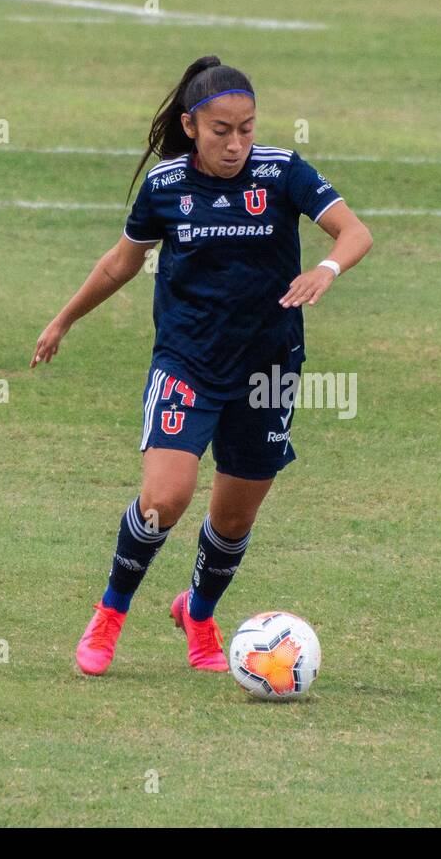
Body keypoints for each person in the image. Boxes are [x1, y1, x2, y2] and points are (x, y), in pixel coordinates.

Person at [31, 55, 373, 676]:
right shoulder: (164, 187)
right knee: (165, 497)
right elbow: (120, 263)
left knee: (235, 517)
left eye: (246, 128)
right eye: (221, 130)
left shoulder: (282, 173)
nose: (236, 142)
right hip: (188, 362)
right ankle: (109, 615)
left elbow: (355, 233)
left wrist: (325, 269)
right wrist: (63, 319)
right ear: (191, 125)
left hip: (268, 369)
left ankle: (199, 611)